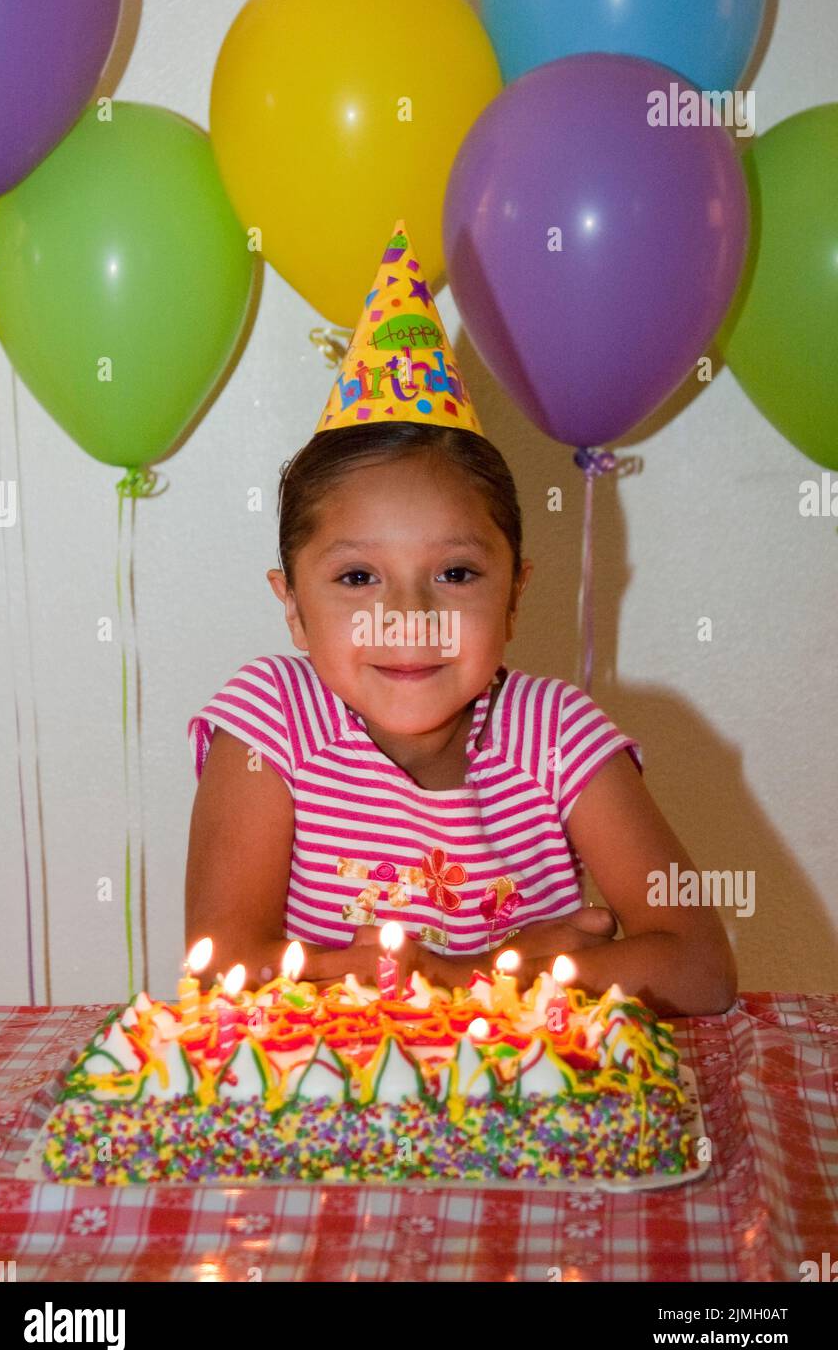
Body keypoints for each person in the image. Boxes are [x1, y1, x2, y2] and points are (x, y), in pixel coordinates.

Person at [185, 222, 736, 1018]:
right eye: (357, 576)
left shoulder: (559, 735)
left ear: (514, 595)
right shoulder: (270, 725)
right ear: (294, 610)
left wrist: (467, 971)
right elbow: (218, 971)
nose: (407, 617)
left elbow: (701, 968)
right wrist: (479, 975)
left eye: (454, 572)